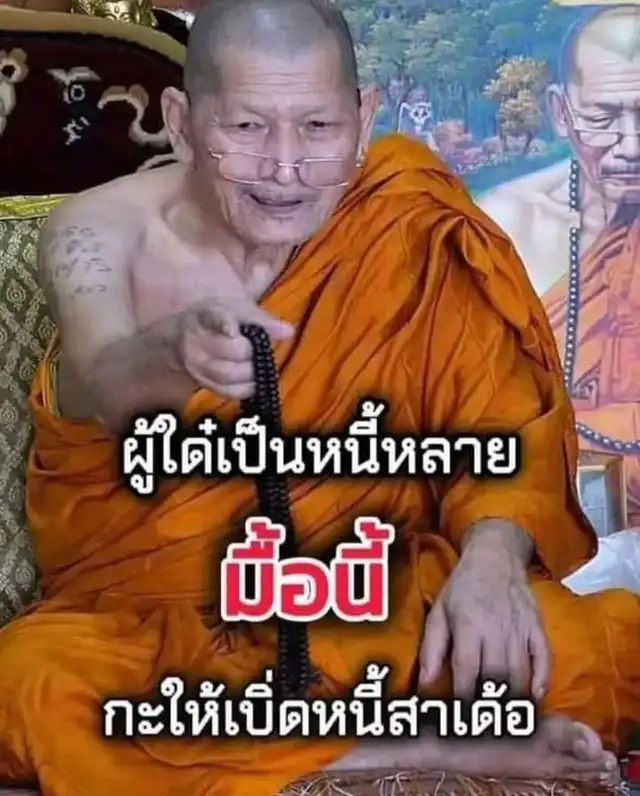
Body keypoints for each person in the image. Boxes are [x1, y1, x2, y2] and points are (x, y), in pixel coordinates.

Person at [0, 0, 638, 794]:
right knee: (29, 684)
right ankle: (426, 745)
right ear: (182, 123)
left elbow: (495, 422)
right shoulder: (99, 231)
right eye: (247, 128)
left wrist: (490, 564)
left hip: (365, 596)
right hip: (154, 620)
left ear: (363, 120)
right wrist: (169, 353)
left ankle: (297, 746)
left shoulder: (403, 216)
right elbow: (98, 375)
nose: (286, 168)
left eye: (318, 128)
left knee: (596, 646)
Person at [479, 5, 640, 525]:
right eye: (602, 118)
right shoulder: (506, 228)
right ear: (560, 112)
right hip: (543, 520)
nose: (630, 146)